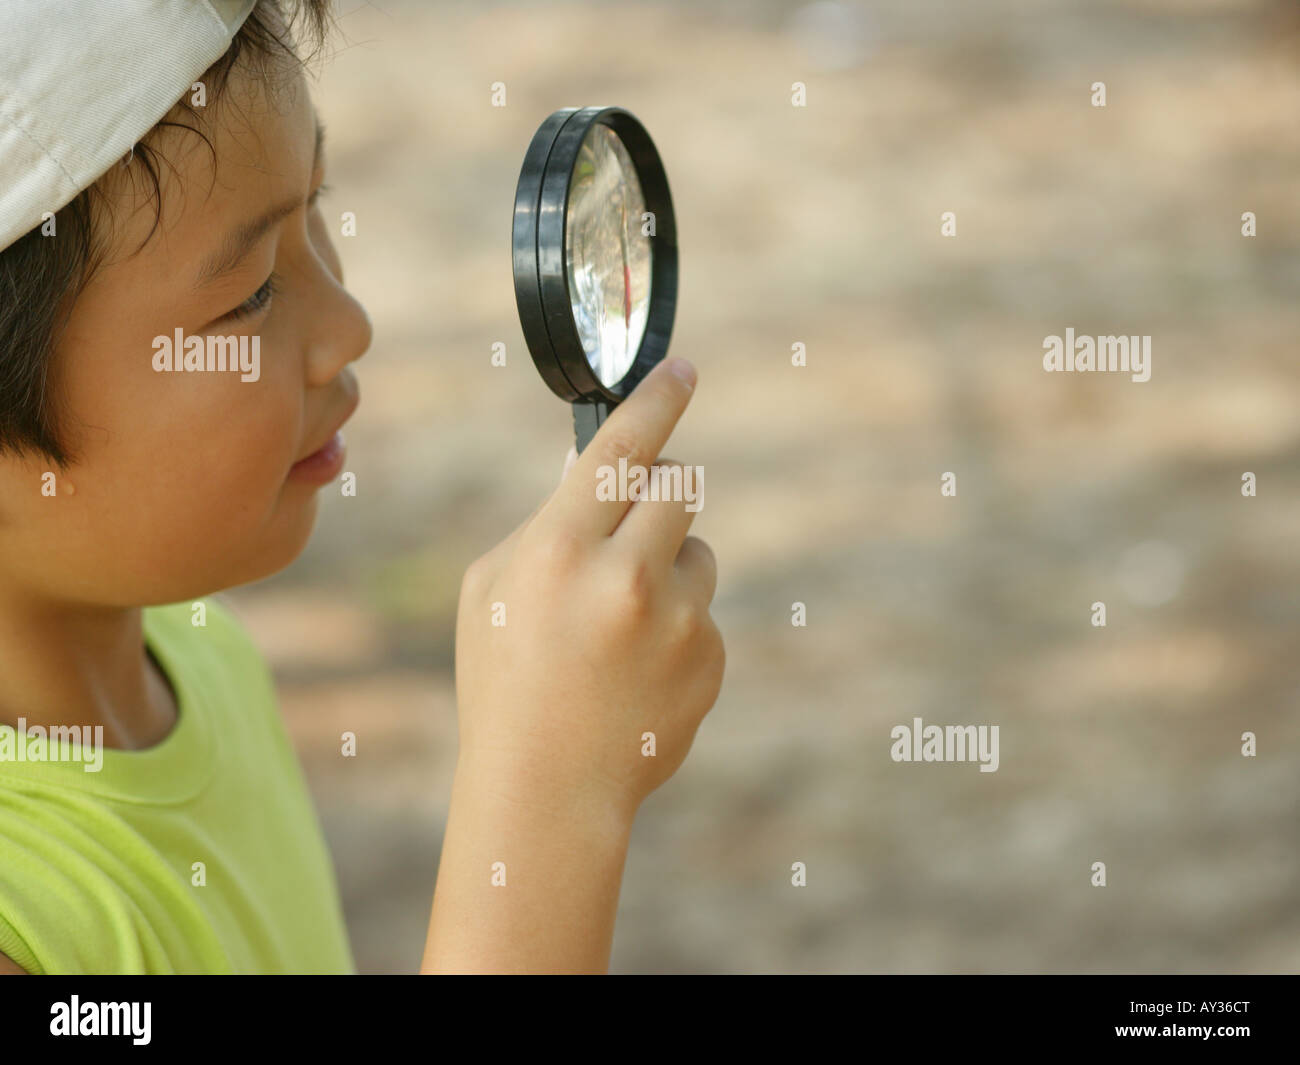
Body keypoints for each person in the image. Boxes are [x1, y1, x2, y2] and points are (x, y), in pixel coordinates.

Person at [0, 0, 723, 974]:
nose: (349, 324)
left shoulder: (199, 655)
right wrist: (549, 803)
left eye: (319, 206)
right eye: (250, 291)